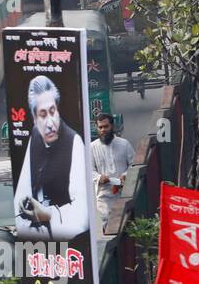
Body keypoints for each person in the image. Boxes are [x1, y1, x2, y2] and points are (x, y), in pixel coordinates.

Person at [13, 75, 90, 240]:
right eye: (42, 114)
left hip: (71, 245)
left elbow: (83, 216)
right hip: (38, 245)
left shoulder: (74, 142)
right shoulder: (35, 137)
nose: (50, 123)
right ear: (34, 119)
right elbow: (20, 196)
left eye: (52, 112)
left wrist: (47, 215)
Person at [89, 113, 133, 222]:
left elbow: (134, 164)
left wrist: (125, 175)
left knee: (126, 221)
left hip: (124, 192)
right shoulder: (92, 147)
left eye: (106, 126)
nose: (103, 130)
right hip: (104, 194)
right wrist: (99, 178)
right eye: (100, 127)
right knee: (107, 222)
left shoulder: (124, 144)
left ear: (112, 126)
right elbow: (89, 171)